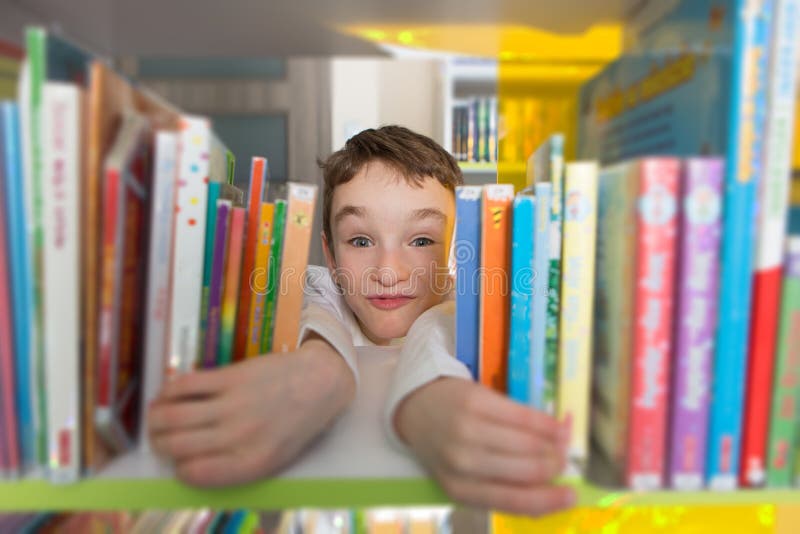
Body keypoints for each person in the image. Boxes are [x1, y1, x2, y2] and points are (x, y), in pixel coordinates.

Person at [148, 125, 576, 517]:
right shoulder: (318, 292)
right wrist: (322, 367)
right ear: (331, 255)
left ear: (458, 250)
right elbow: (317, 301)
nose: (388, 272)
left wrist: (427, 397)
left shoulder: (477, 312)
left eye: (422, 240)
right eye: (361, 240)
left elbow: (443, 319)